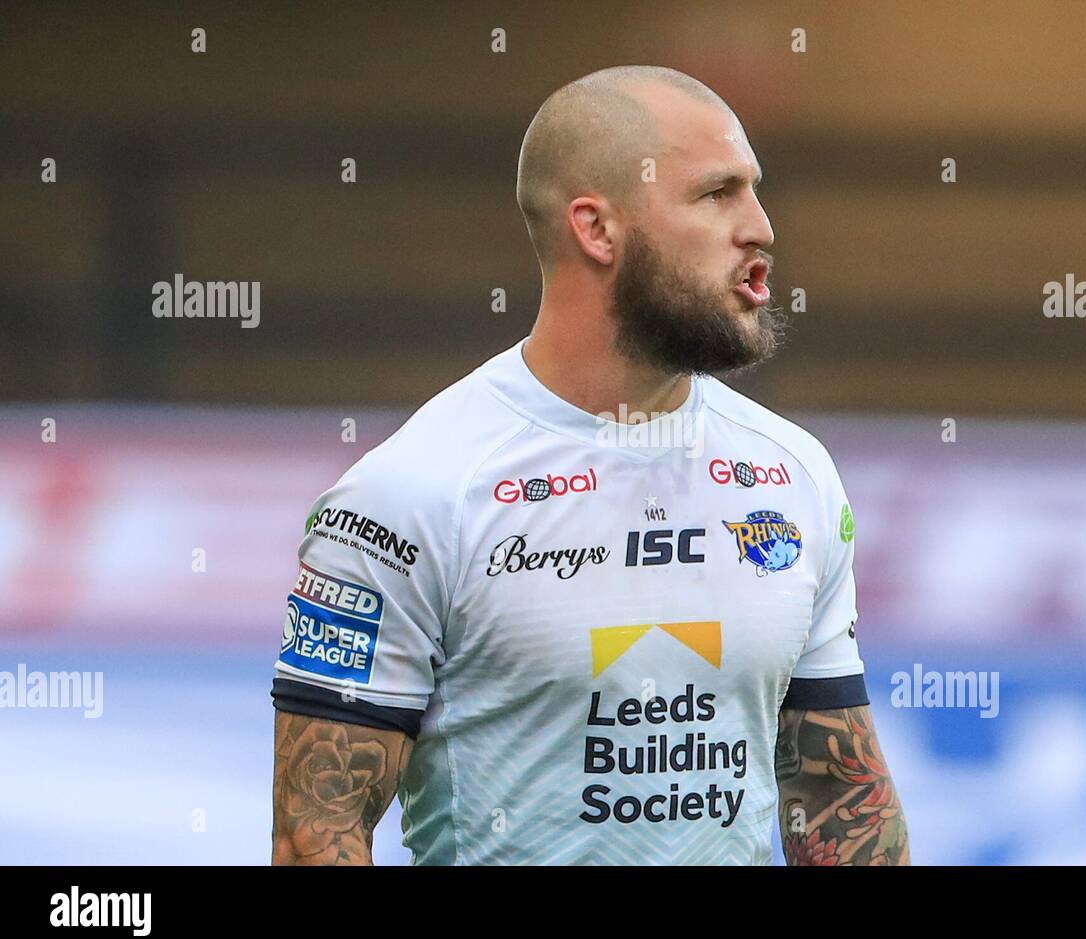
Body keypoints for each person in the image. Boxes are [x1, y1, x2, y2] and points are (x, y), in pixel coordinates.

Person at [271, 65, 909, 865]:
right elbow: (313, 837)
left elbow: (839, 799)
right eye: (717, 194)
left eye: (754, 190)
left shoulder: (793, 475)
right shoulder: (408, 495)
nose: (760, 227)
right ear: (597, 230)